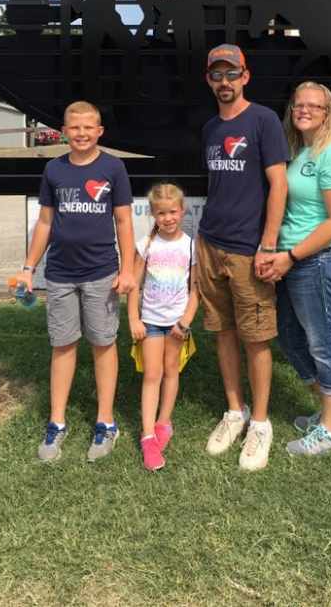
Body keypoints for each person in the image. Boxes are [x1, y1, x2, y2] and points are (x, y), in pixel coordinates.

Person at [14, 100, 135, 463]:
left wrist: (128, 269)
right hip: (61, 274)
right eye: (74, 127)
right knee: (63, 345)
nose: (81, 134)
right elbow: (46, 223)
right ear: (63, 131)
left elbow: (125, 222)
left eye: (88, 128)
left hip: (102, 272)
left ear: (99, 132)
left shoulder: (113, 168)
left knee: (102, 342)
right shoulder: (54, 169)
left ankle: (105, 422)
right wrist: (28, 267)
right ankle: (56, 422)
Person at [197, 44, 289, 471]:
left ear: (245, 76)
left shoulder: (264, 120)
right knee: (223, 331)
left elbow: (278, 185)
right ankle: (235, 412)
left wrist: (267, 244)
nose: (225, 82)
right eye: (217, 74)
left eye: (231, 74)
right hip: (210, 242)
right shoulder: (212, 127)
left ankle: (262, 423)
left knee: (256, 336)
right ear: (209, 79)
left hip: (248, 248)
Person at [260, 81, 331, 458]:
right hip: (294, 261)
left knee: (325, 342)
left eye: (313, 106)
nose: (303, 110)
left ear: (327, 112)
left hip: (318, 261)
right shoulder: (302, 151)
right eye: (298, 104)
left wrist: (291, 256)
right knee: (290, 337)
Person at [127, 183, 199, 471]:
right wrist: (134, 318)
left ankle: (163, 422)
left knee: (171, 371)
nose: (168, 218)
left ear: (182, 211)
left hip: (177, 324)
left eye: (172, 212)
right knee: (152, 374)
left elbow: (196, 289)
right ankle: (147, 435)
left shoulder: (191, 245)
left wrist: (186, 321)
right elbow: (133, 285)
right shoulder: (146, 245)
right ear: (152, 214)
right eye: (161, 213)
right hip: (151, 322)